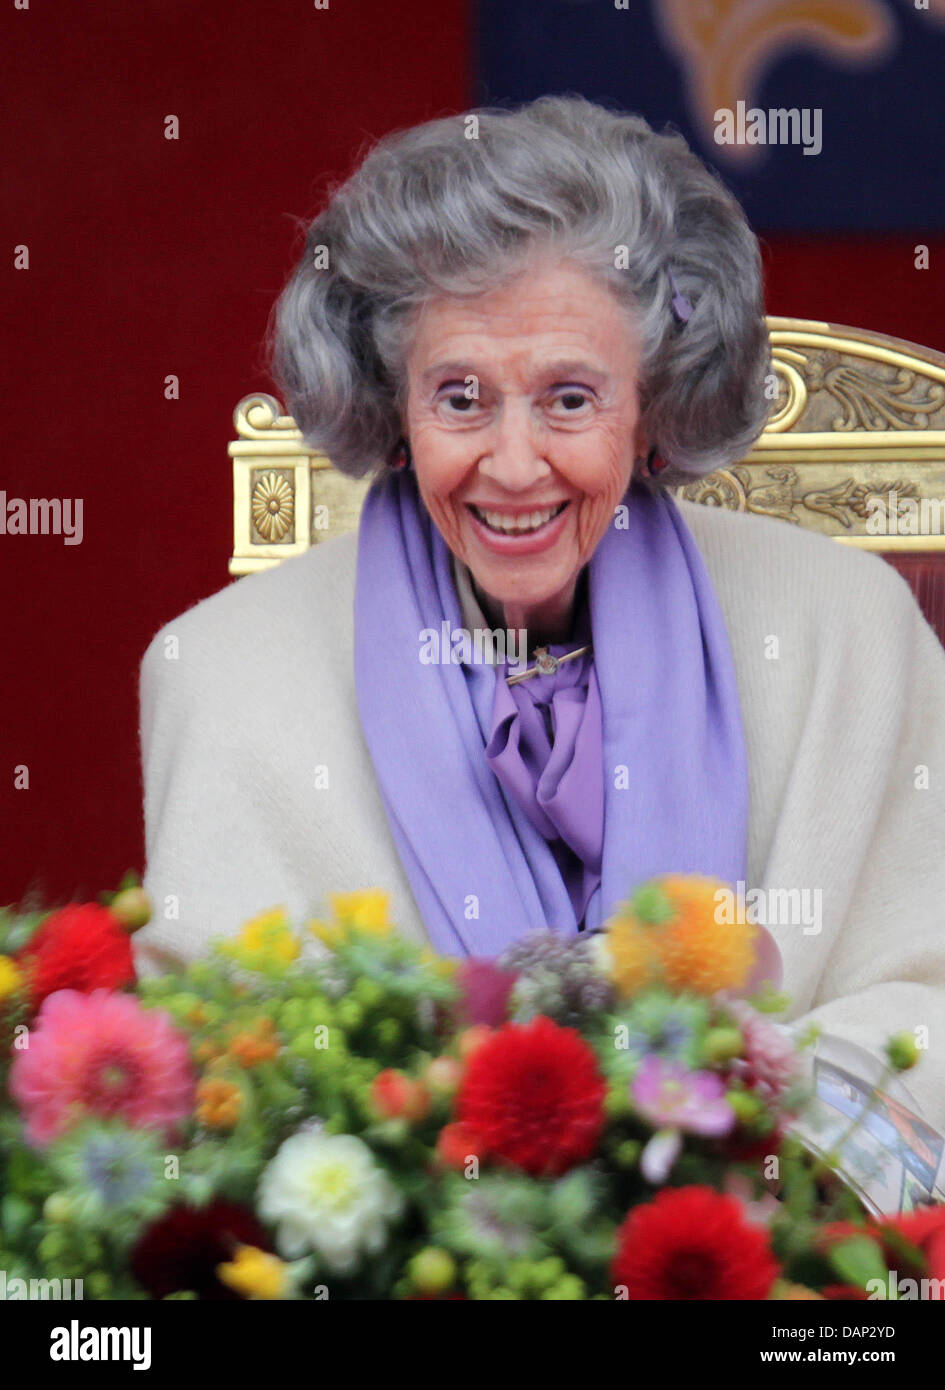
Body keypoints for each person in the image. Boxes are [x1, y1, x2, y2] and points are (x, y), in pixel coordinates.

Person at [136, 95, 945, 1126]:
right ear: (391, 401)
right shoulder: (223, 672)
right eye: (461, 397)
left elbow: (931, 1008)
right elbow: (215, 1080)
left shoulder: (849, 633)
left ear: (653, 395)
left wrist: (724, 1097)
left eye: (571, 397)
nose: (514, 468)